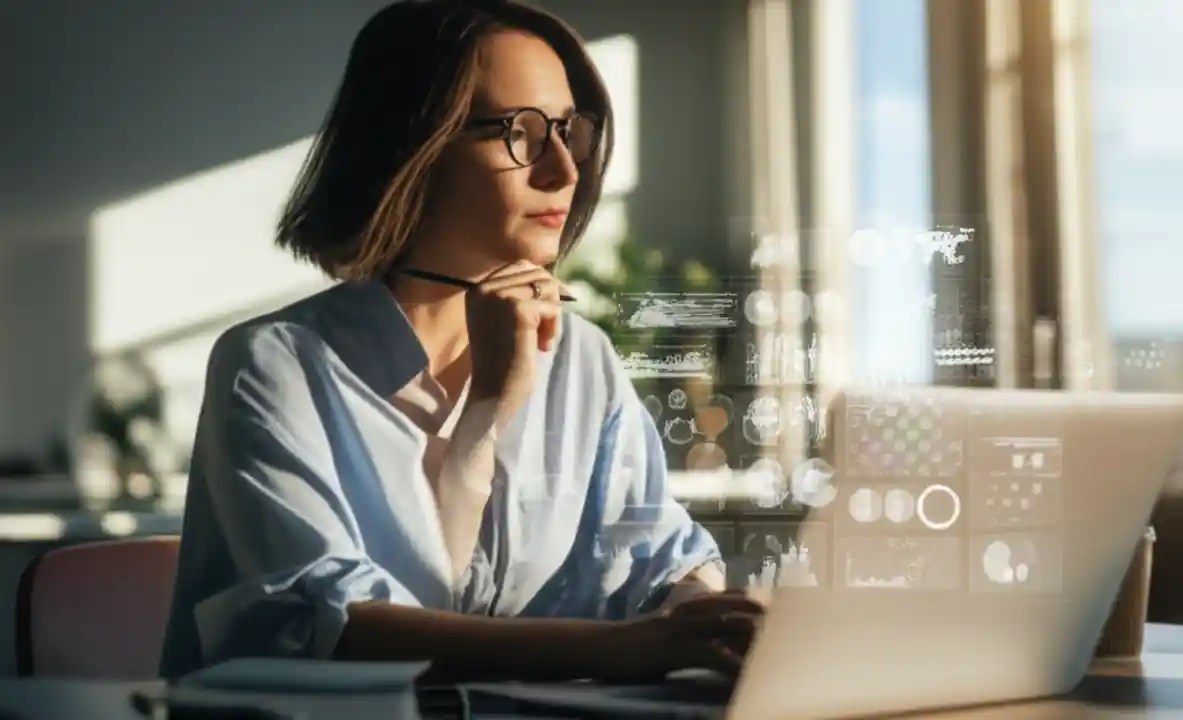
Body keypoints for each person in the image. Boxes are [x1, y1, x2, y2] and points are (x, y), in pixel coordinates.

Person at [159, 0, 762, 681]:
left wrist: (713, 627)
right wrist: (489, 411)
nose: (564, 168)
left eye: (569, 130)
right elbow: (334, 624)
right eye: (521, 132)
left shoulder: (581, 355)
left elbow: (662, 559)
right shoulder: (273, 363)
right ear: (412, 148)